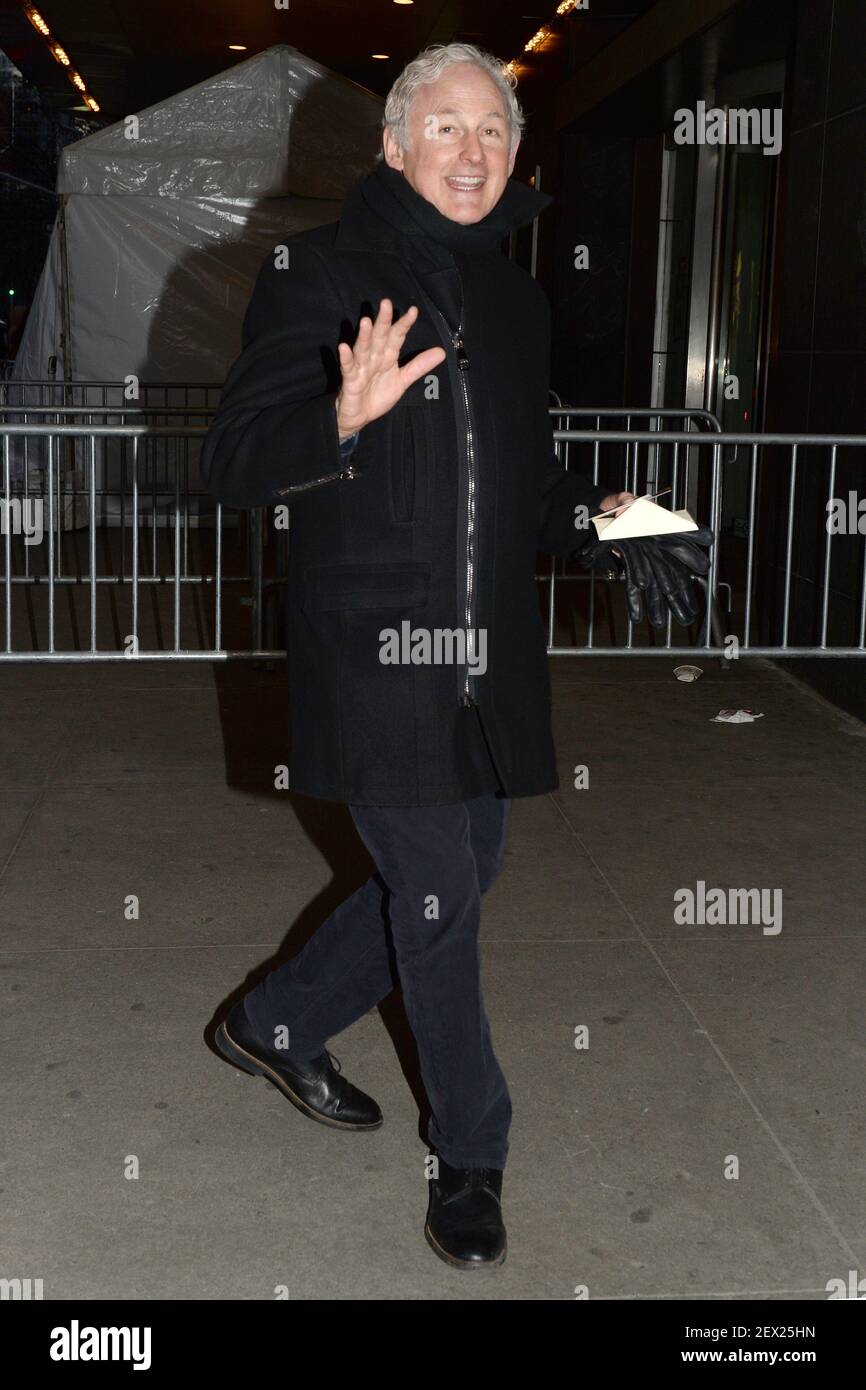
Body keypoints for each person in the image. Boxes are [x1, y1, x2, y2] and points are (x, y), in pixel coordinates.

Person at [201, 42, 705, 1270]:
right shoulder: (314, 274)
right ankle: (471, 1152)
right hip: (369, 649)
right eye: (446, 127)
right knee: (435, 899)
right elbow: (230, 466)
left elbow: (522, 485)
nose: (472, 151)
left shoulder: (514, 301)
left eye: (493, 131)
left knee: (467, 863)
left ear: (513, 154)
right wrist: (336, 419)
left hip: (484, 653)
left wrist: (599, 516)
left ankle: (272, 1018)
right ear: (391, 145)